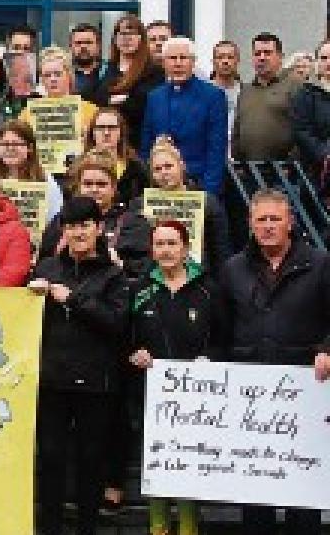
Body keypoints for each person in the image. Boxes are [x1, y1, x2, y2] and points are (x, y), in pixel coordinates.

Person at [221, 189, 330, 534]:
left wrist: (327, 348)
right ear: (250, 224)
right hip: (251, 397)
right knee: (256, 499)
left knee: (303, 499)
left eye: (275, 219)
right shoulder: (233, 268)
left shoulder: (320, 263)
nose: (268, 226)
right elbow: (222, 327)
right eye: (261, 220)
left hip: (305, 395)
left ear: (291, 223)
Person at [29, 195, 130, 535]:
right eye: (71, 226)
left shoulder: (113, 274)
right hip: (52, 380)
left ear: (99, 228)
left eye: (85, 225)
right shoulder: (46, 267)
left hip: (96, 383)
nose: (78, 233)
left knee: (90, 463)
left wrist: (71, 298)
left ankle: (88, 528)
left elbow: (117, 322)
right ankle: (50, 528)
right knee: (51, 460)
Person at [128, 219, 226, 535]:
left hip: (196, 399)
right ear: (152, 250)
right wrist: (134, 352)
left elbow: (226, 336)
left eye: (173, 243)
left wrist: (210, 357)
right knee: (156, 465)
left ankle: (188, 528)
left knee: (188, 466)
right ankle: (158, 528)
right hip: (151, 395)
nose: (166, 250)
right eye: (160, 244)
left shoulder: (209, 288)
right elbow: (125, 335)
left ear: (186, 248)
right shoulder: (140, 289)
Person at [40, 150, 152, 281]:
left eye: (101, 184)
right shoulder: (61, 219)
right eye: (88, 184)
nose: (94, 190)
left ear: (113, 187)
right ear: (78, 186)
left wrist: (121, 265)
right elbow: (43, 262)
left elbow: (146, 269)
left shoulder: (133, 223)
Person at [139, 37, 229, 195]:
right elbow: (147, 144)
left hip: (198, 183)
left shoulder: (213, 96)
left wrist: (209, 192)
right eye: (172, 58)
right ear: (164, 63)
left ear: (193, 62)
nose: (178, 63)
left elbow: (216, 148)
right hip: (160, 185)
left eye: (183, 58)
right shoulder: (154, 97)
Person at [94, 14, 163, 147]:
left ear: (141, 39)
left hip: (139, 142)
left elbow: (144, 102)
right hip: (108, 142)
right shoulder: (105, 69)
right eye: (122, 34)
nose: (127, 39)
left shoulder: (154, 71)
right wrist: (122, 98)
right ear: (115, 39)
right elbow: (96, 99)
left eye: (132, 34)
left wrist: (117, 100)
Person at [233, 32, 301, 162]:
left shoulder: (296, 86)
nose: (262, 58)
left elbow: (303, 131)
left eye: (267, 52)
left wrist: (292, 163)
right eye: (257, 53)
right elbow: (237, 129)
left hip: (285, 172)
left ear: (280, 57)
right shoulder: (246, 90)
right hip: (249, 171)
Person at [18, 46, 99, 137]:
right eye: (47, 75)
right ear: (42, 80)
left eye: (57, 74)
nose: (53, 79)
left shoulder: (91, 111)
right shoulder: (27, 114)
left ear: (69, 75)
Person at [0, 120, 64, 220]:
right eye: (5, 144)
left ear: (30, 148)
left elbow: (57, 219)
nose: (10, 149)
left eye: (16, 144)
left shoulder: (46, 181)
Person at [84, 106, 150, 206]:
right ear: (93, 132)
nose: (106, 133)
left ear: (121, 132)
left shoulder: (137, 169)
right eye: (101, 127)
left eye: (112, 127)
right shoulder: (79, 166)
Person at [292, 38, 330, 184]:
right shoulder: (306, 93)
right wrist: (324, 154)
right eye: (324, 58)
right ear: (317, 62)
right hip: (316, 171)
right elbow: (301, 131)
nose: (328, 62)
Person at [210, 40, 241, 143]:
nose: (225, 61)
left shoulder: (246, 93)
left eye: (230, 57)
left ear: (238, 61)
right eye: (220, 57)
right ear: (213, 61)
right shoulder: (202, 93)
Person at [69, 22, 107, 101]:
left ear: (98, 46)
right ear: (70, 47)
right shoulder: (63, 75)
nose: (83, 47)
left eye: (88, 42)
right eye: (78, 43)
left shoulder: (110, 72)